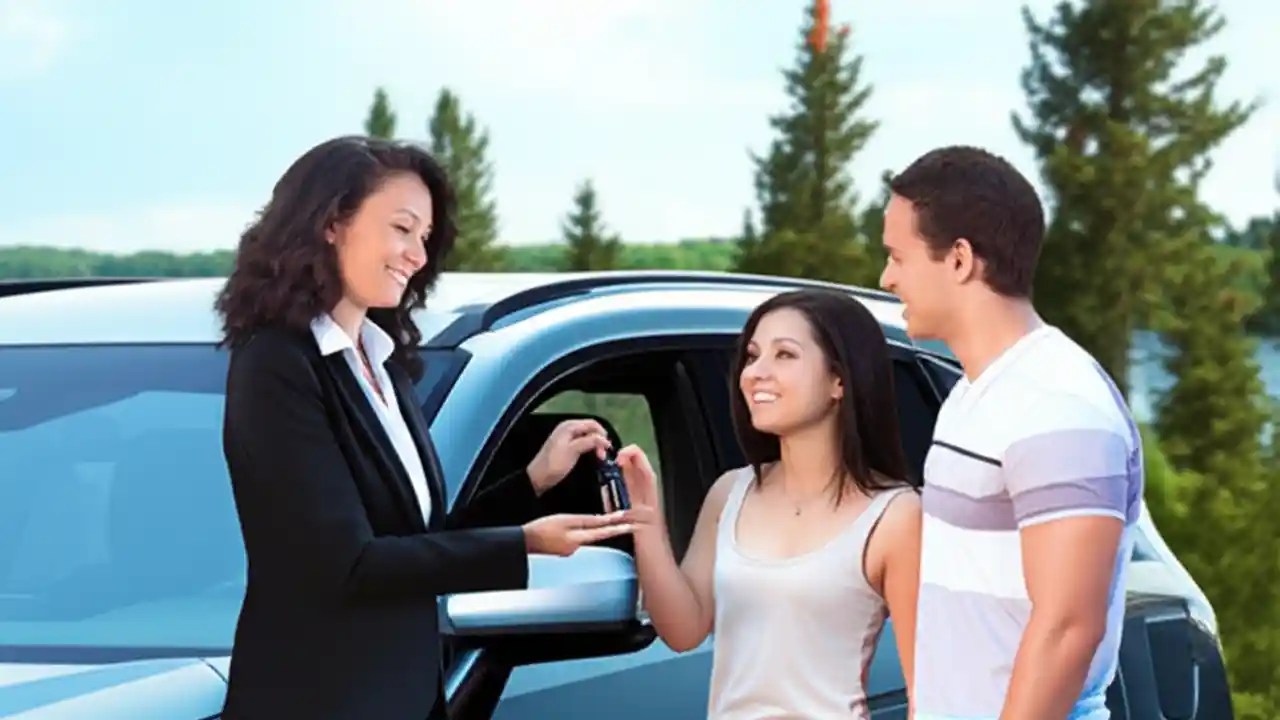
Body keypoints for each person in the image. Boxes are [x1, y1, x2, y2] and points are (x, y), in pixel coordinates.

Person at [213, 134, 634, 720]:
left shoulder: (382, 365)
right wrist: (525, 544)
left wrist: (531, 484)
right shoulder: (277, 364)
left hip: (404, 699)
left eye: (425, 238)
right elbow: (348, 565)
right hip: (318, 700)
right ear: (331, 222)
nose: (416, 254)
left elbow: (416, 543)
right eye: (401, 228)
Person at [879, 145, 1144, 720]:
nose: (887, 277)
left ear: (959, 260)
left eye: (898, 256)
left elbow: (1069, 627)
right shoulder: (971, 395)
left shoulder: (1059, 404)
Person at [614, 288, 924, 719]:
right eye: (753, 355)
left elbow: (928, 692)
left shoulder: (896, 516)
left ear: (840, 380)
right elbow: (684, 629)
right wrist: (647, 523)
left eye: (785, 355)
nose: (755, 373)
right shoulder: (730, 493)